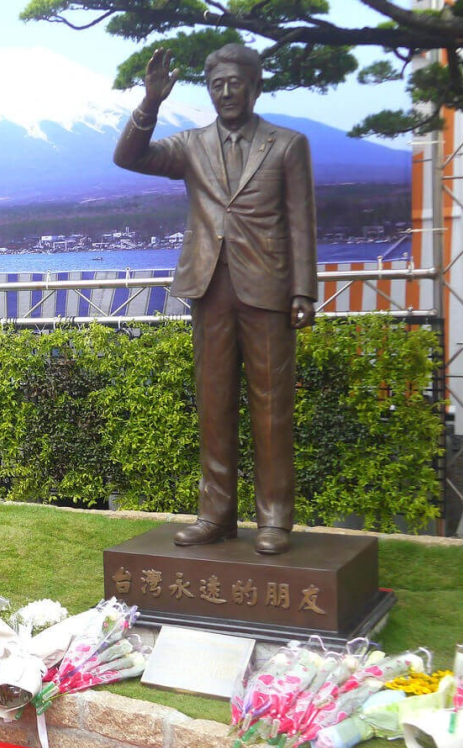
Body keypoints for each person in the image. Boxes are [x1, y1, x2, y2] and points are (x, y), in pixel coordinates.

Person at [113, 44, 317, 555]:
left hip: (268, 290)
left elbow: (300, 223)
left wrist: (303, 290)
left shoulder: (289, 145)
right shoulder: (190, 145)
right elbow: (129, 156)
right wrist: (150, 103)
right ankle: (216, 514)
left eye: (235, 83)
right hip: (209, 289)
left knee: (272, 409)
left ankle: (274, 518)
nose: (226, 93)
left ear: (255, 87)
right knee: (214, 404)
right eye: (217, 85)